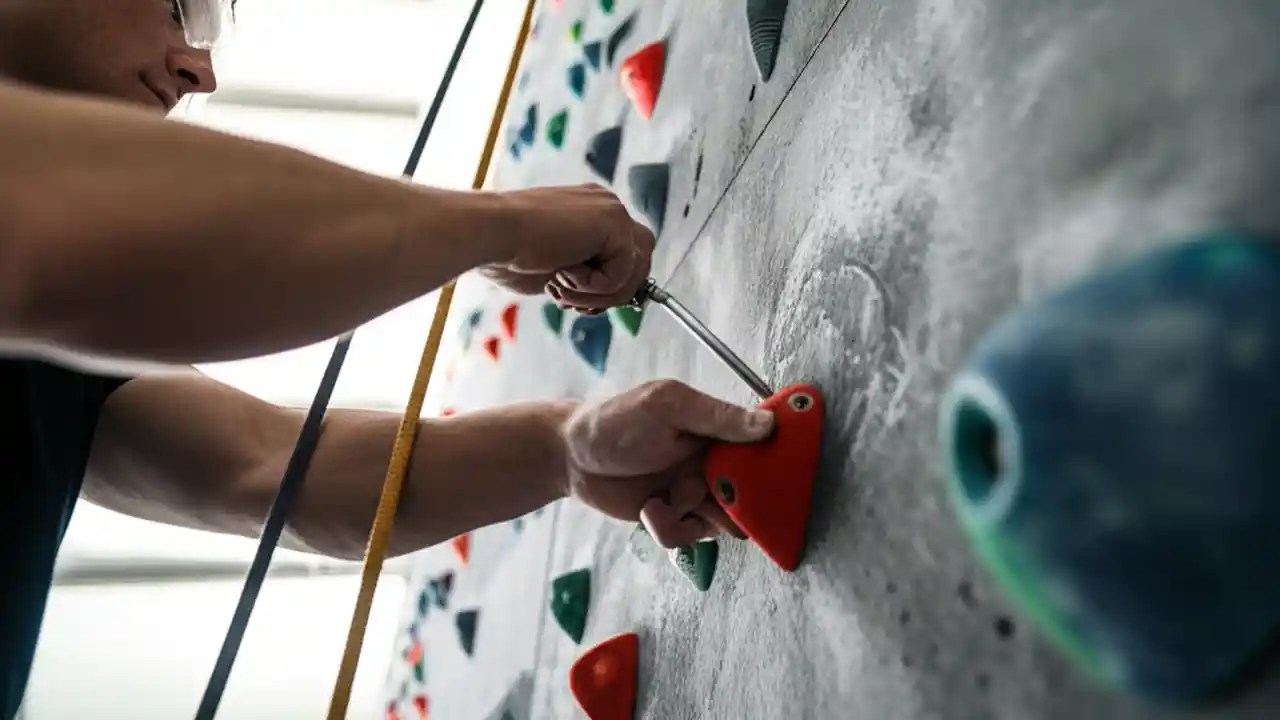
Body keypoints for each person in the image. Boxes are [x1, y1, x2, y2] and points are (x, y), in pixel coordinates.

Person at [0, 0, 774, 714]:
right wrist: (499, 227)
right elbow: (51, 208)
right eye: (176, 7)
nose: (200, 70)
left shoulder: (51, 358)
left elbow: (273, 468)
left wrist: (566, 451)